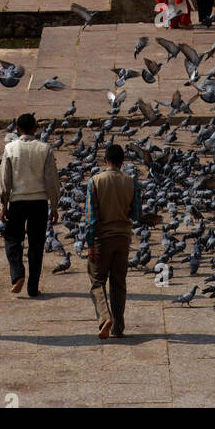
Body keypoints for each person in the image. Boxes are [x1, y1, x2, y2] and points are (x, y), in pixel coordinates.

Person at [0, 113, 59, 298]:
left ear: (17, 129)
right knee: (36, 244)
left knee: (12, 240)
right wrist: (54, 205)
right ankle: (33, 287)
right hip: (39, 202)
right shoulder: (45, 148)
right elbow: (52, 180)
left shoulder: (10, 148)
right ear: (35, 129)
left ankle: (17, 275)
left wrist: (4, 204)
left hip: (17, 201)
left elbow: (4, 180)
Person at [86, 143, 141, 340]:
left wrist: (90, 244)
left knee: (97, 280)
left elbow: (91, 218)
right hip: (123, 238)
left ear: (105, 161)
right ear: (122, 162)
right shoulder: (131, 182)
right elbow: (136, 213)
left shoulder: (95, 181)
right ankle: (118, 327)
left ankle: (104, 317)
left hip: (103, 238)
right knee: (118, 283)